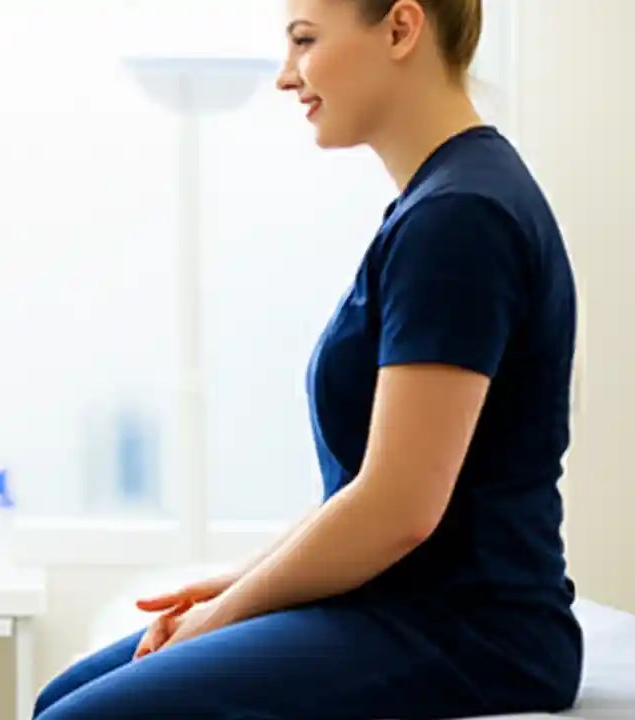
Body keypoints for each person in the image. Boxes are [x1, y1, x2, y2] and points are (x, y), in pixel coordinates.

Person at [34, 1, 582, 718]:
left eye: (305, 42)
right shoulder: (443, 202)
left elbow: (396, 511)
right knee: (61, 698)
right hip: (407, 604)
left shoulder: (462, 218)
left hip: (470, 629)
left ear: (400, 28)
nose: (287, 77)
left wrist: (220, 618)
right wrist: (233, 584)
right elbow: (361, 488)